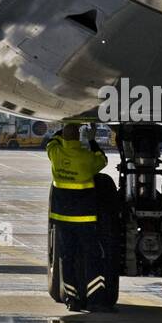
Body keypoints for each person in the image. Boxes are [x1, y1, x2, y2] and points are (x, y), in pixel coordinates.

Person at [47, 121, 109, 311]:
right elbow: (103, 160)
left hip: (63, 220)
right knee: (93, 257)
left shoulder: (55, 155)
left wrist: (66, 124)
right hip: (85, 220)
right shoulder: (86, 158)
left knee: (67, 258)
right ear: (78, 138)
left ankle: (72, 300)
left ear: (64, 138)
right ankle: (95, 298)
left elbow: (52, 142)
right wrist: (91, 140)